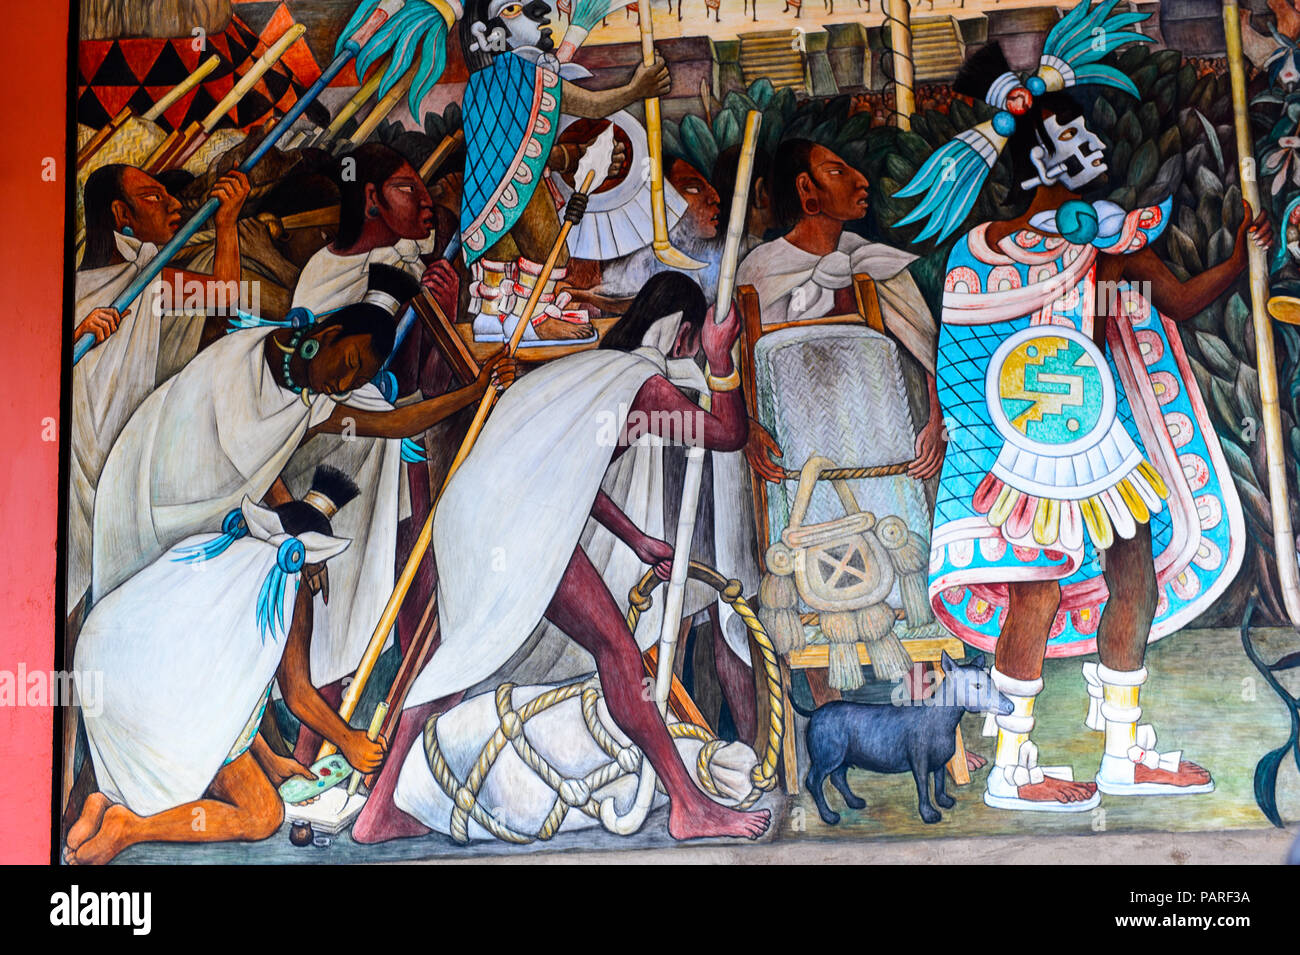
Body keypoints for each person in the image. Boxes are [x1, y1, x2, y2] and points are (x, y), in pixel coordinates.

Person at [895, 2, 1271, 811]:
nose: (1097, 154)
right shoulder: (1086, 239)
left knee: (1090, 569)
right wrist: (1241, 260)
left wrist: (1241, 258)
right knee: (1066, 579)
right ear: (1048, 162)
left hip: (1042, 443)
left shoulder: (983, 247)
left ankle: (1095, 753)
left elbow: (954, 367)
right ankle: (1031, 763)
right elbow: (1176, 303)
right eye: (1082, 142)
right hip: (1046, 443)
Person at [400, 281, 771, 840]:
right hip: (514, 515)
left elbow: (569, 468)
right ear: (685, 334)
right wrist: (721, 362)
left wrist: (636, 540)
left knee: (462, 659)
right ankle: (689, 806)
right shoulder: (641, 384)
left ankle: (380, 811)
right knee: (616, 649)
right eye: (695, 347)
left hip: (475, 510)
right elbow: (728, 432)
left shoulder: (595, 371)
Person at [90, 265, 513, 700]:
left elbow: (394, 424)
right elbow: (221, 451)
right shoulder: (244, 353)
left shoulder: (314, 407)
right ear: (328, 332)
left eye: (360, 380)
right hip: (140, 493)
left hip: (198, 527)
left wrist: (475, 391)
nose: (344, 382)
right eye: (349, 363)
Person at [65, 467, 384, 865]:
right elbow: (298, 695)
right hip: (163, 710)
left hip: (111, 678)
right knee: (263, 814)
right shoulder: (287, 584)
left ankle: (101, 801)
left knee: (200, 763)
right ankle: (128, 827)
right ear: (307, 556)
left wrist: (270, 761)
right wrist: (350, 741)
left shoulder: (228, 552)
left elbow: (226, 684)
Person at [68, 163, 250, 615]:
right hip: (72, 467)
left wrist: (226, 225)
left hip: (123, 465)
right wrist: (73, 336)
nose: (174, 203)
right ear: (120, 214)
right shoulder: (65, 295)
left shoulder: (148, 284)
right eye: (153, 196)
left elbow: (227, 296)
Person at [735, 138, 945, 481]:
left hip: (879, 442)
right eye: (837, 171)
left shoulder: (874, 262)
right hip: (788, 447)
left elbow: (927, 348)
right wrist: (746, 428)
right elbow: (735, 361)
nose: (861, 180)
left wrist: (936, 423)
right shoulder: (759, 269)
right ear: (806, 188)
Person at [458, 0, 664, 344]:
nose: (538, 11)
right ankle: (535, 321)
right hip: (518, 188)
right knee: (549, 248)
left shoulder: (480, 86)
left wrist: (573, 156)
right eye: (512, 8)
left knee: (503, 252)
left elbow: (520, 145)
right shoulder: (524, 75)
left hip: (483, 198)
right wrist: (636, 90)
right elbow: (593, 105)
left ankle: (492, 317)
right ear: (486, 32)